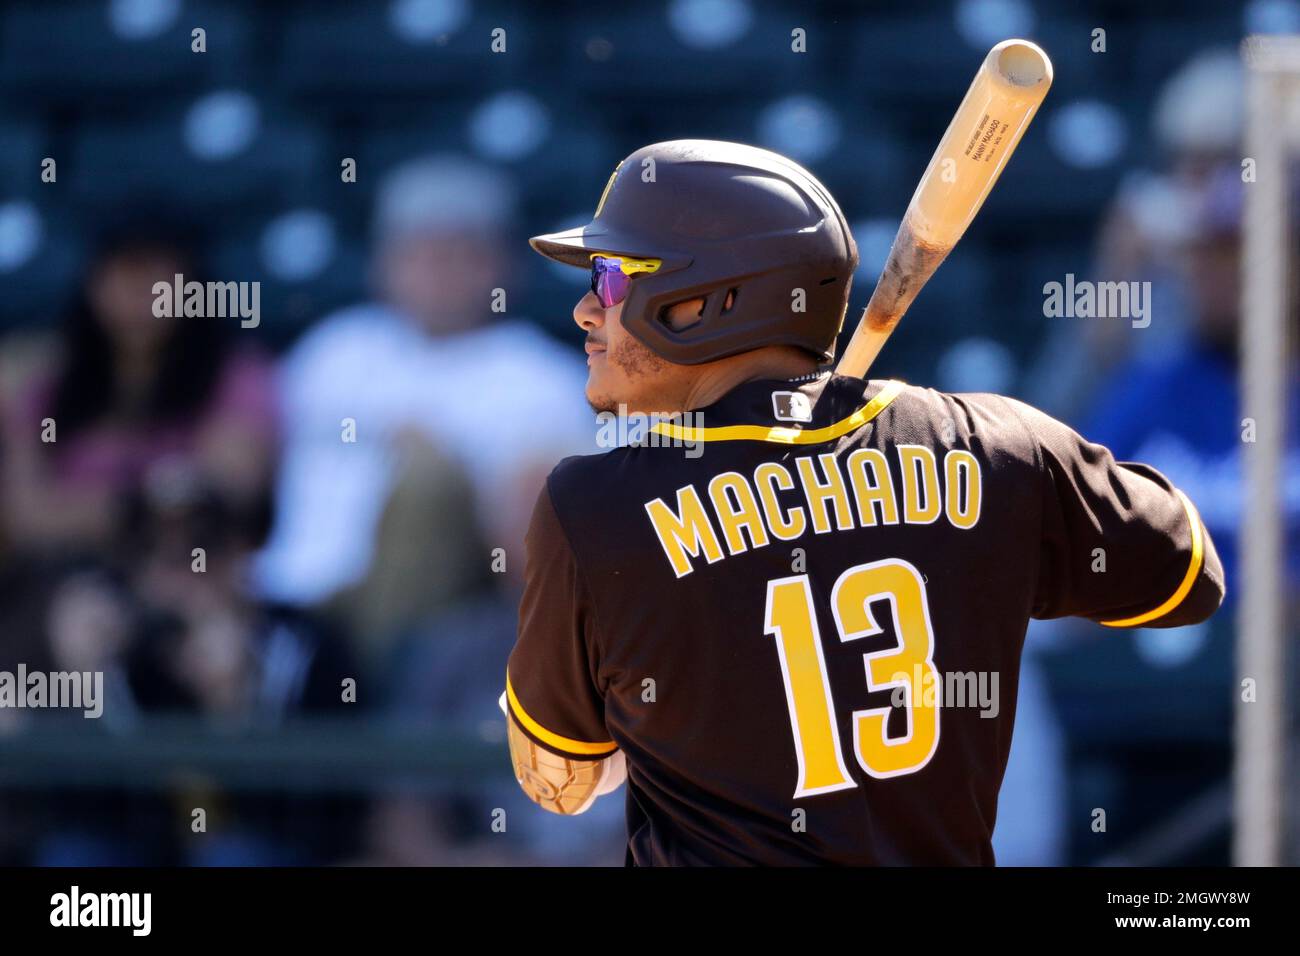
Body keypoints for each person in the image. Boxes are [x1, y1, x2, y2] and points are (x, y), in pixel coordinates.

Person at [501, 140, 1225, 866]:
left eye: (612, 277)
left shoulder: (593, 505)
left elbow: (557, 781)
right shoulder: (998, 445)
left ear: (703, 302)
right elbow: (1190, 573)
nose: (587, 309)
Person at [255, 155, 595, 659]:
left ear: (501, 266)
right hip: (287, 589)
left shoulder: (544, 377)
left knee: (427, 478)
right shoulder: (332, 350)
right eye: (419, 253)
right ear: (384, 262)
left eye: (460, 254)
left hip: (429, 617)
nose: (439, 273)